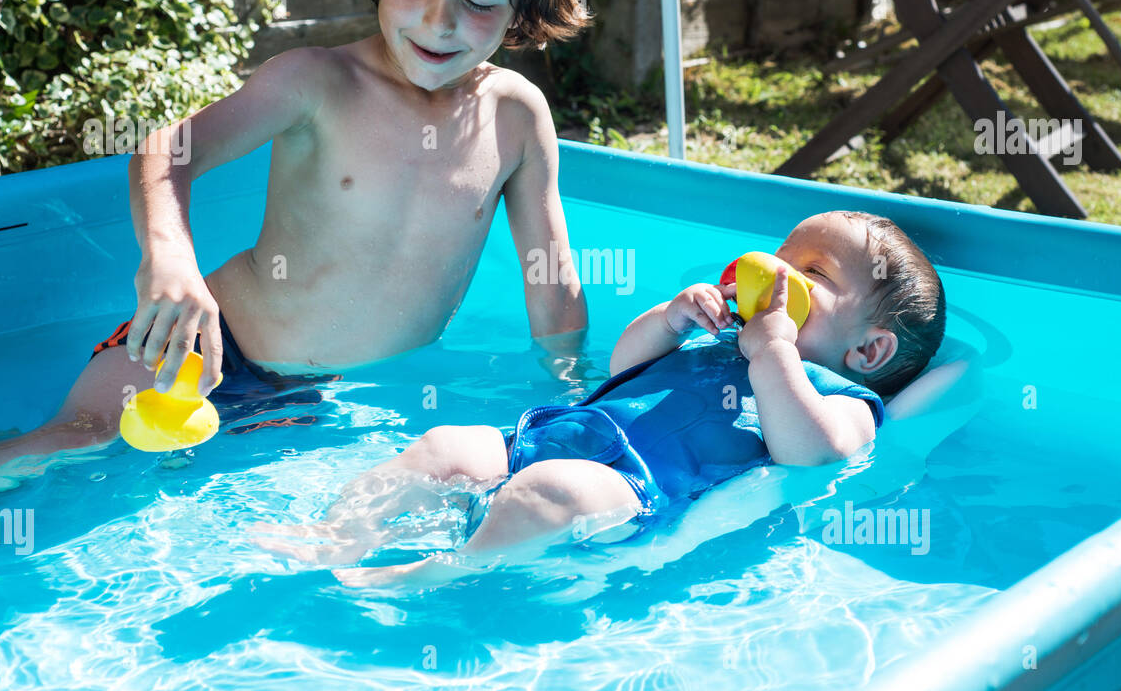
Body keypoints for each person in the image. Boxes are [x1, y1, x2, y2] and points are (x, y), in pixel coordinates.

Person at [0, 0, 591, 492]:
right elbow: (167, 149)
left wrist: (572, 399)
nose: (439, 21)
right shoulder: (317, 83)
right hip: (199, 346)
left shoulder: (517, 118)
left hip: (320, 401)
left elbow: (552, 283)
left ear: (523, 5)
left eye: (477, 2)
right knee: (64, 446)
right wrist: (170, 261)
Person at [254, 211, 947, 588]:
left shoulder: (841, 396)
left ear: (869, 351)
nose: (778, 273)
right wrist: (673, 318)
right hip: (556, 430)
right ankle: (337, 536)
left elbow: (810, 455)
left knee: (548, 493)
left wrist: (774, 352)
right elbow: (624, 365)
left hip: (630, 488)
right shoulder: (722, 337)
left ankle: (436, 575)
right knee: (444, 446)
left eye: (812, 274)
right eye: (783, 254)